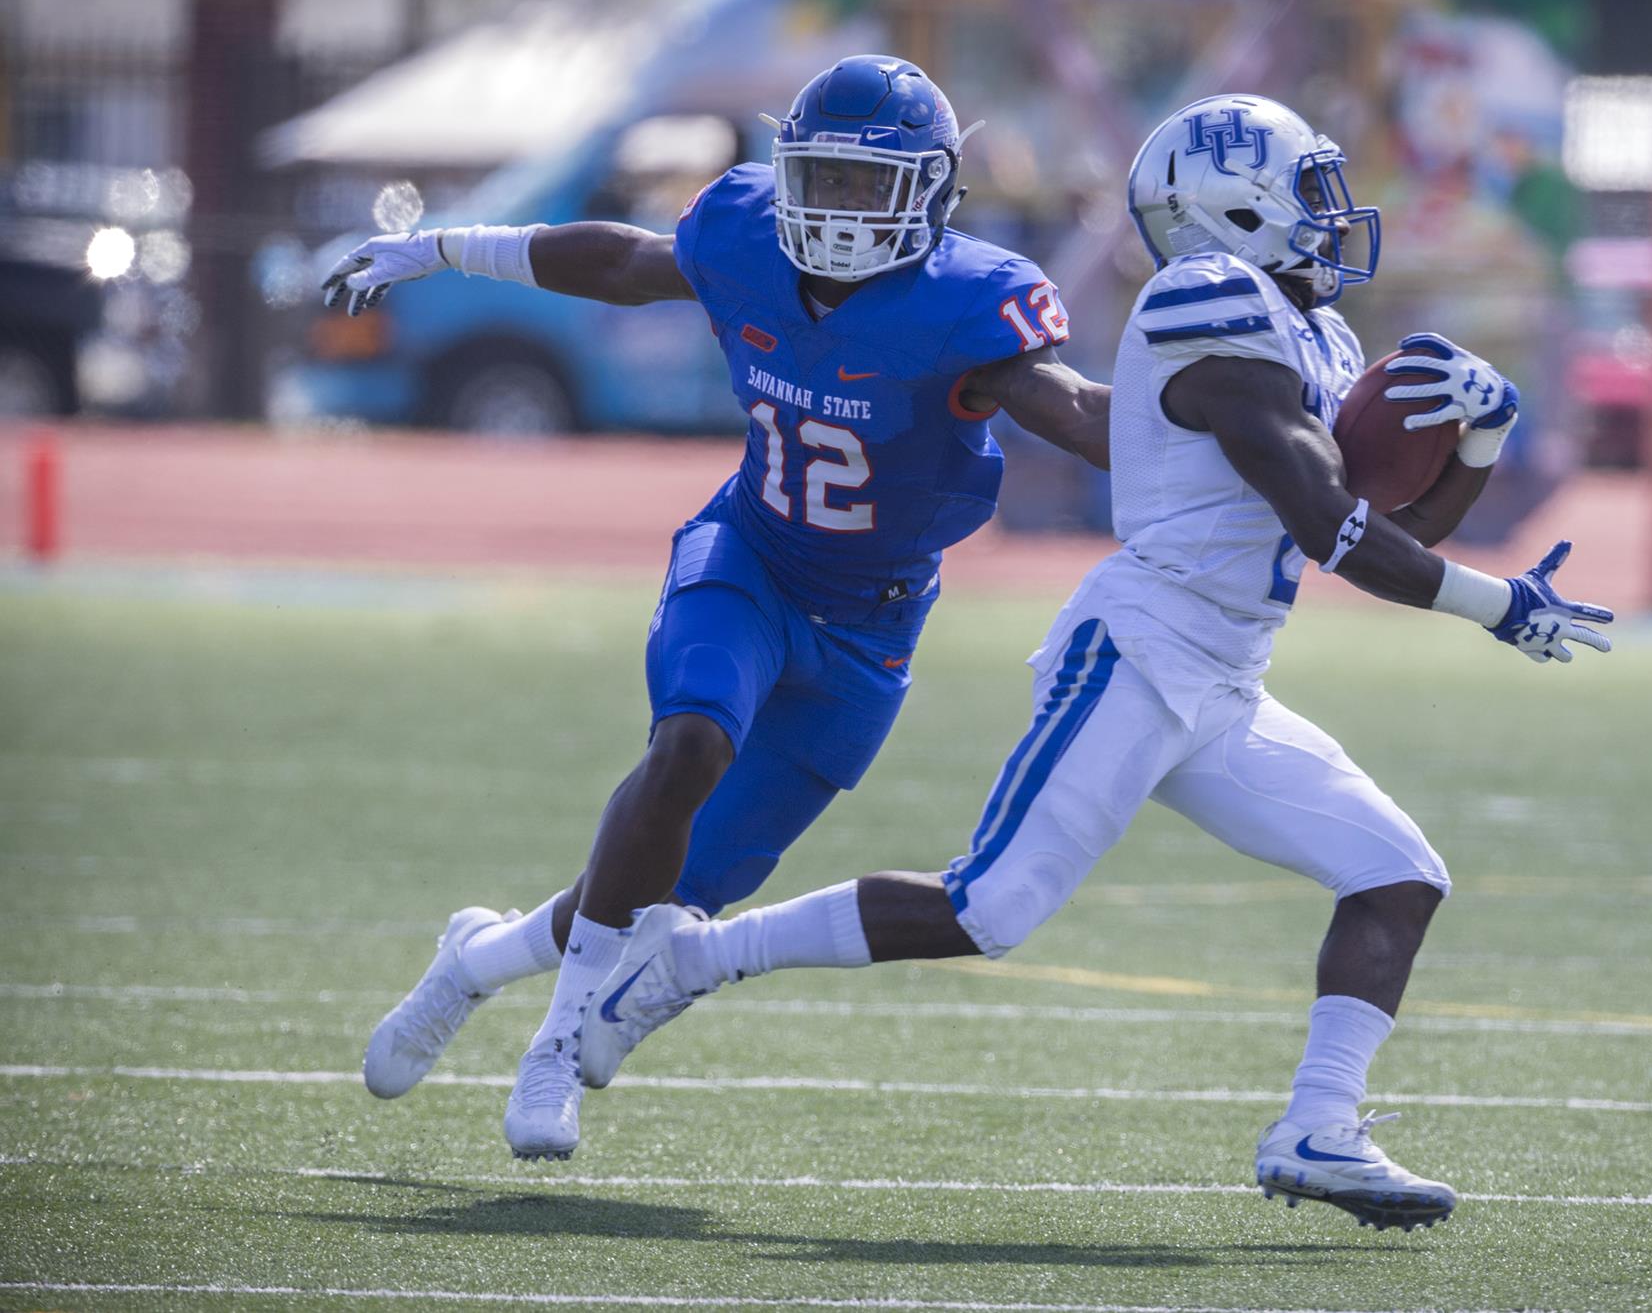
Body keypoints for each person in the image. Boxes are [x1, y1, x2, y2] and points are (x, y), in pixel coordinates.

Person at [572, 94, 1615, 1232]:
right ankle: (693, 961)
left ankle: (1318, 1127)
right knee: (988, 907)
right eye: (1305, 190)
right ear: (1231, 209)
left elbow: (1383, 524)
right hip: (1136, 648)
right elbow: (1330, 528)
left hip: (1222, 676)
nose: (1330, 213)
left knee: (1397, 874)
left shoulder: (1314, 331)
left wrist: (1477, 443)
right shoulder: (1202, 299)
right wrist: (1499, 605)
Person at [323, 56, 1110, 1161]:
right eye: (822, 178)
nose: (838, 209)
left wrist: (1225, 439)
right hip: (750, 556)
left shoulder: (968, 302)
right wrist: (443, 245)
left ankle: (476, 958)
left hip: (873, 625)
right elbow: (623, 261)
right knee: (689, 742)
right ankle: (555, 1047)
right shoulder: (745, 235)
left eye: (866, 184)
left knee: (668, 892)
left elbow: (1074, 412)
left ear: (931, 192)